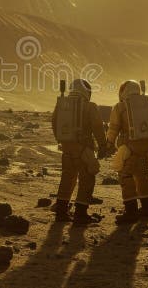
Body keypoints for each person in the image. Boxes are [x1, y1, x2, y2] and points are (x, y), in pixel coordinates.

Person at [51, 79, 104, 225]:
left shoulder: (62, 104)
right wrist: (103, 145)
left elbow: (54, 123)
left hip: (67, 149)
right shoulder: (89, 106)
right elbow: (98, 127)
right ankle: (81, 213)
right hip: (84, 149)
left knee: (67, 179)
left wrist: (61, 140)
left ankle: (61, 211)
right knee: (87, 179)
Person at [106, 80, 148, 224]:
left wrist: (109, 143)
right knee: (142, 177)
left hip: (128, 148)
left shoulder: (120, 107)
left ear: (124, 91)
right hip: (145, 148)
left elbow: (114, 128)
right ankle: (147, 208)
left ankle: (131, 211)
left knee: (126, 177)